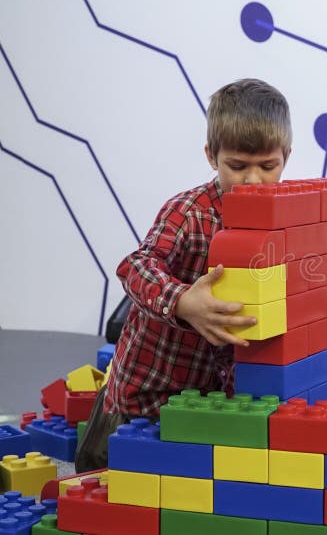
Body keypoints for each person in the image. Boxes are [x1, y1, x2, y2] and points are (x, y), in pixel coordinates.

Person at [75, 78, 292, 472]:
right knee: (103, 481)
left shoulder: (283, 220)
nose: (253, 180)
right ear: (212, 156)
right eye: (237, 166)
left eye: (268, 166)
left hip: (209, 399)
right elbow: (137, 265)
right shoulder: (190, 212)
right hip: (143, 397)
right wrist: (182, 301)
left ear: (286, 156)